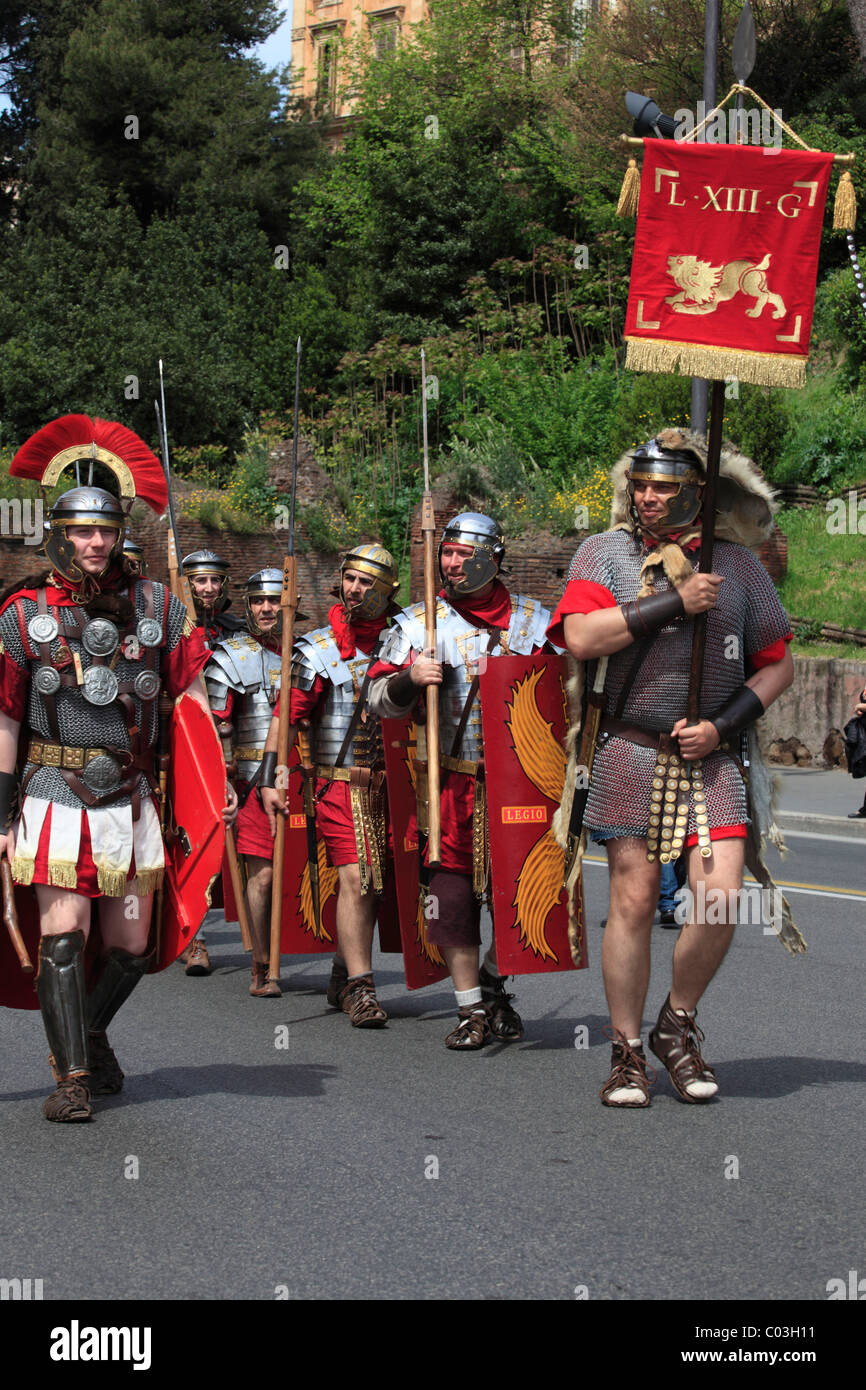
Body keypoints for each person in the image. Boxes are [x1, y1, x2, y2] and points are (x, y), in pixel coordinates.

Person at [549, 429, 794, 1106]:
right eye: (642, 484)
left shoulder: (739, 569)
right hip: (631, 747)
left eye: (664, 487)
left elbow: (778, 664)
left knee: (721, 897)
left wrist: (722, 724)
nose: (648, 496)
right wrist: (673, 603)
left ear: (696, 492)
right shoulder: (604, 553)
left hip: (710, 755)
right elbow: (580, 637)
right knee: (630, 900)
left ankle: (676, 1023)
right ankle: (626, 1051)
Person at [0, 416, 234, 1123]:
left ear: (119, 530)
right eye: (80, 531)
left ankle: (92, 1029)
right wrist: (1, 814)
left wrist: (209, 790)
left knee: (131, 944)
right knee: (63, 934)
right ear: (58, 535)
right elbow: (7, 718)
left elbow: (191, 704)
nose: (94, 542)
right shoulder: (22, 613)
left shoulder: (159, 606)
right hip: (51, 790)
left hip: (130, 796)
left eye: (104, 530)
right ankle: (72, 1076)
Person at [366, 512, 553, 1050]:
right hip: (451, 784)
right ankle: (471, 1008)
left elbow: (566, 696)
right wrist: (408, 678)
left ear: (494, 557)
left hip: (521, 784)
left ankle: (494, 981)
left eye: (461, 555)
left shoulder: (537, 624)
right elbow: (377, 701)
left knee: (528, 895)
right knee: (450, 901)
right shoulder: (419, 625)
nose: (449, 563)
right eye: (444, 553)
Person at [260, 544, 400, 1025]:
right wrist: (272, 773)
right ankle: (362, 988)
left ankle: (343, 971)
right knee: (357, 878)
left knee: (378, 886)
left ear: (387, 591)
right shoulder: (318, 649)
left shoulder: (406, 642)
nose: (355, 589)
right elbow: (286, 716)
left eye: (368, 583)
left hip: (395, 785)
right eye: (351, 579)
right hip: (339, 783)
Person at [205, 569, 284, 997]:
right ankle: (261, 960)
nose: (267, 608)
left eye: (274, 600)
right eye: (258, 601)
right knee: (265, 875)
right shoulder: (229, 656)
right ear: (248, 605)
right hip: (254, 779)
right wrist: (226, 779)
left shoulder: (306, 654)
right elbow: (217, 729)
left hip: (306, 777)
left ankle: (343, 971)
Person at [178, 550, 245, 974]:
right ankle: (193, 936)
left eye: (213, 580)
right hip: (181, 742)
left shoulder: (237, 633)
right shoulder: (167, 628)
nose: (206, 588)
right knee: (186, 835)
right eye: (198, 581)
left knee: (227, 839)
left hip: (231, 743)